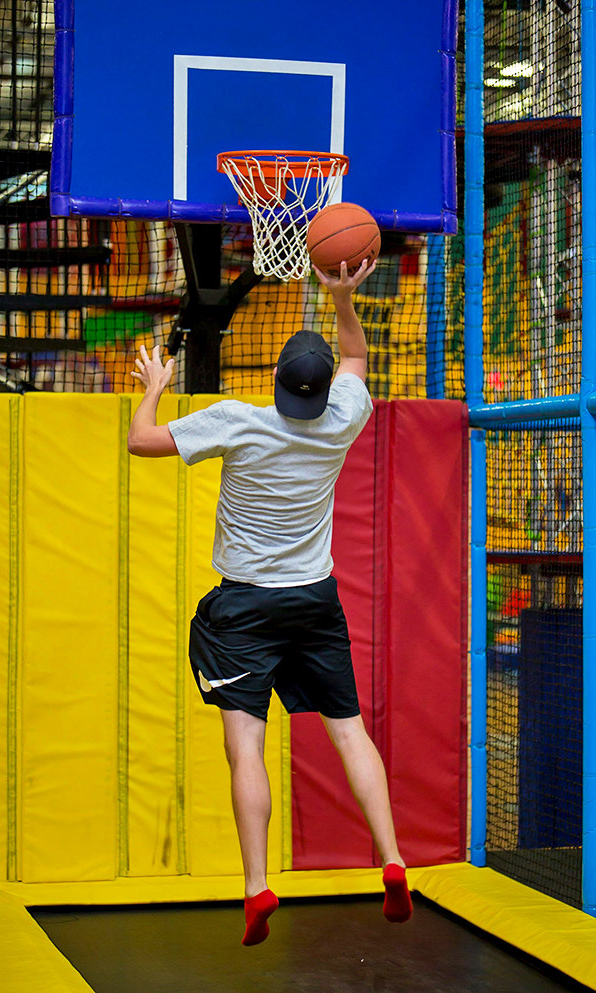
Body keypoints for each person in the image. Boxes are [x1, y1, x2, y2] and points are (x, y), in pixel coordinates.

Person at [127, 258, 412, 946]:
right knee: (350, 731)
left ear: (278, 382)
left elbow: (141, 441)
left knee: (245, 746)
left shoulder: (238, 422)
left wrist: (155, 389)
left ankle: (257, 884)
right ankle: (395, 858)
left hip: (246, 609)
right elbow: (354, 352)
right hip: (315, 599)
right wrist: (342, 296)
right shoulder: (345, 418)